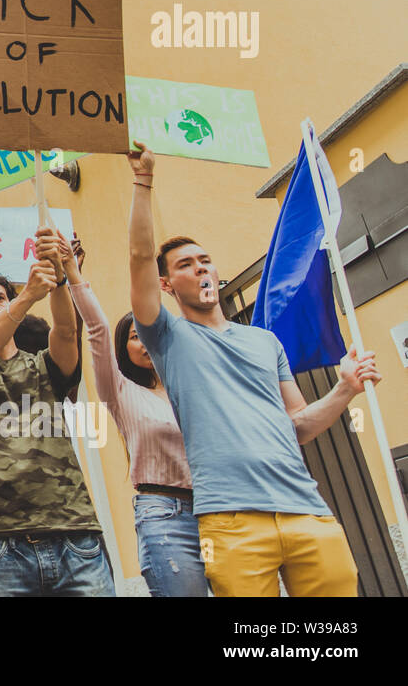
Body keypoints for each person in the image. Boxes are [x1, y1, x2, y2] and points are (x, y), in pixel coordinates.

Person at [126, 142, 378, 596]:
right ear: (166, 284)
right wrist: (143, 183)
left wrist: (345, 389)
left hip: (307, 512)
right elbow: (140, 258)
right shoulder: (167, 337)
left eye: (205, 260)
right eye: (186, 265)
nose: (200, 268)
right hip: (229, 523)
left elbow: (298, 425)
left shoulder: (265, 342)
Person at [0, 231, 116, 597]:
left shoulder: (45, 366)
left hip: (75, 536)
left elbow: (67, 331)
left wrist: (59, 275)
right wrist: (26, 297)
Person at [58, 234, 206, 597]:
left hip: (222, 507)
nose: (143, 341)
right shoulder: (120, 392)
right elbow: (96, 330)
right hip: (166, 515)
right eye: (134, 336)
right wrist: (74, 275)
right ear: (124, 349)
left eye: (148, 334)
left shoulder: (191, 382)